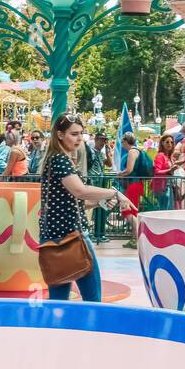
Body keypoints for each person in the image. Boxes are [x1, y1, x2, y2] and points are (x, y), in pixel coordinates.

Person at [39, 113, 133, 301]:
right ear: (59, 135)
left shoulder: (53, 160)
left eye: (81, 133)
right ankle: (91, 329)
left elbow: (70, 202)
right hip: (73, 238)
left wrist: (98, 202)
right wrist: (114, 193)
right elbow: (80, 191)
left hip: (54, 238)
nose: (79, 138)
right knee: (93, 298)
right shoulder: (60, 160)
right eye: (74, 134)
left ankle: (58, 329)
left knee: (58, 300)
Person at [152, 133, 177, 204]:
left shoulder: (170, 157)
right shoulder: (160, 155)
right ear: (162, 143)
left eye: (171, 142)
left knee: (168, 209)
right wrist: (170, 170)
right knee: (163, 209)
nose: (170, 144)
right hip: (161, 186)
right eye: (167, 142)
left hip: (169, 185)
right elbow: (156, 171)